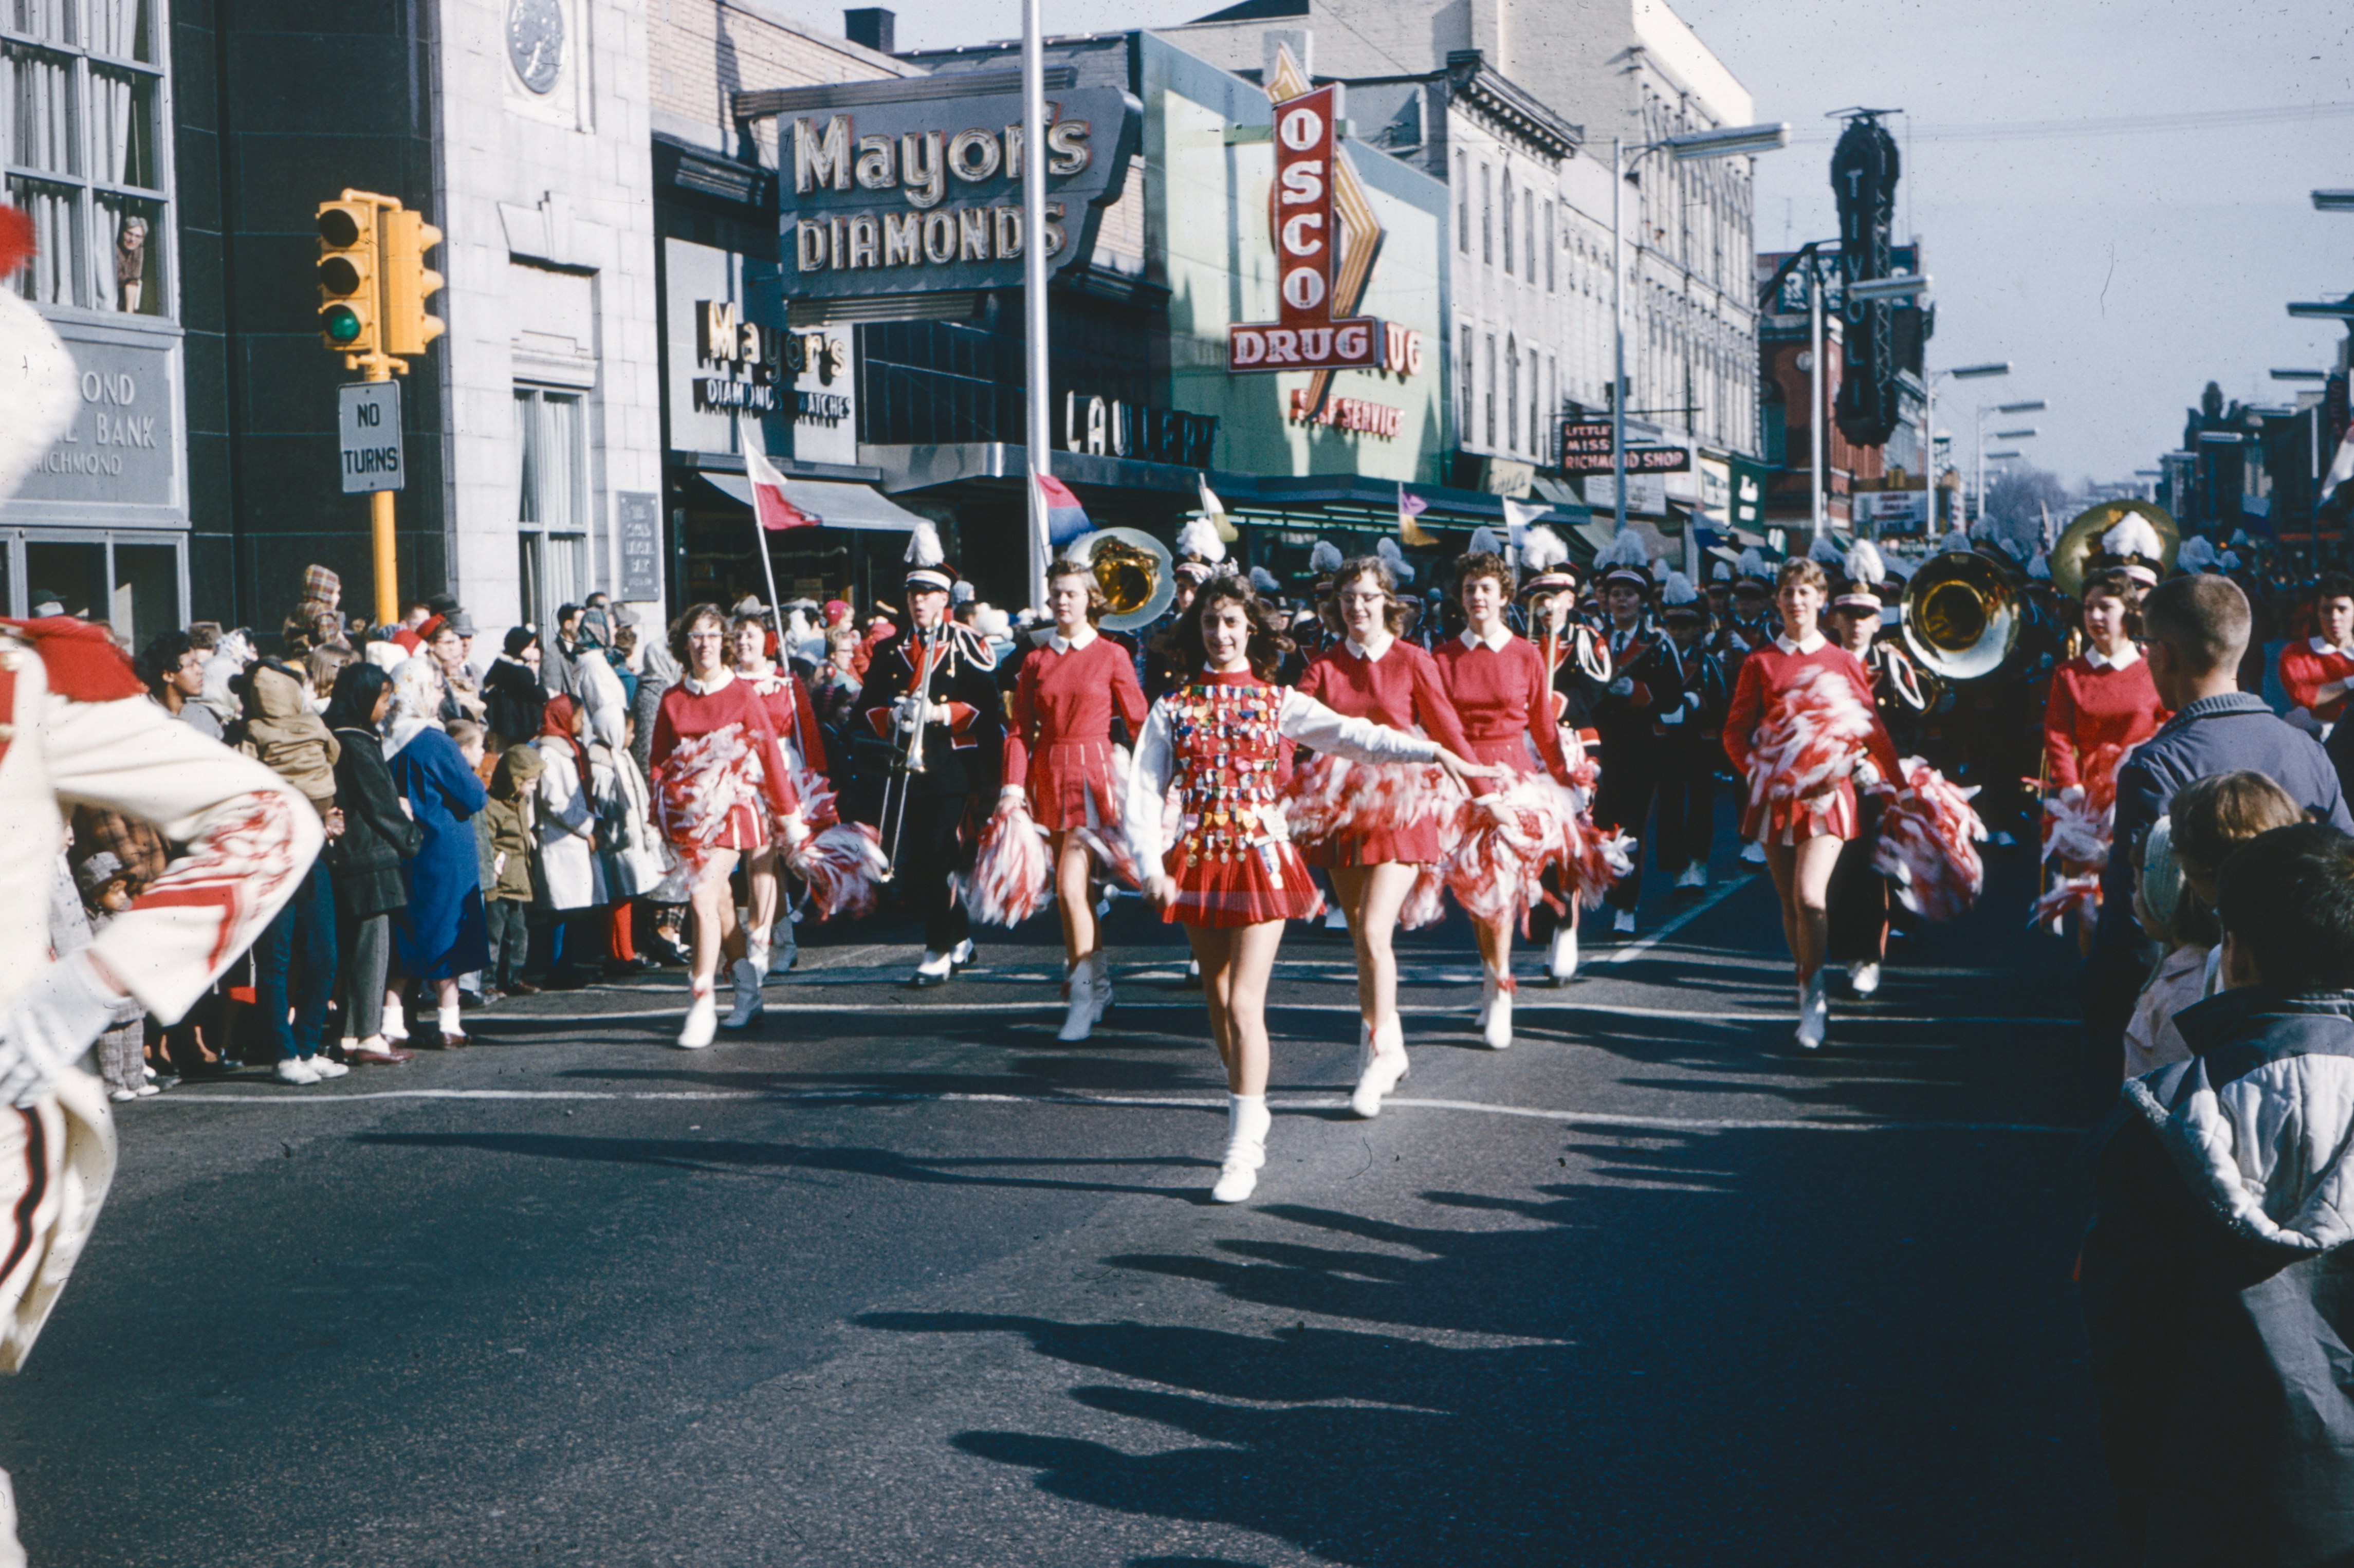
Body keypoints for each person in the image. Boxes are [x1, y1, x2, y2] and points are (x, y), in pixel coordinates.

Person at [1125, 572, 1493, 1203]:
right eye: (1210, 623)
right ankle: (1249, 1101)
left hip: (1261, 859)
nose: (1220, 634)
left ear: (1251, 631)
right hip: (1198, 859)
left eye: (1232, 624)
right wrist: (1149, 867)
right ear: (1198, 631)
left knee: (1244, 1003)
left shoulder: (1276, 702)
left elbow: (1356, 736)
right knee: (1214, 1000)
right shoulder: (1173, 707)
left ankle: (1242, 1146)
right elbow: (1141, 791)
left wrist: (1434, 753)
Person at [2080, 821, 2354, 1565]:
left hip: (2213, 1482)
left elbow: (2128, 1339)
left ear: (2234, 947)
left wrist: (2138, 1489)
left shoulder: (2160, 1114)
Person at [2085, 573, 2353, 1079]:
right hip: (2309, 1015)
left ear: (2162, 654)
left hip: (2197, 1023)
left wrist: (2102, 1006)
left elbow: (2133, 919)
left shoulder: (2154, 767)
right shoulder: (2307, 752)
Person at [1289, 552, 1475, 1113]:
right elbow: (1288, 728)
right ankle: (1390, 1043)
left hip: (1399, 805)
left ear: (1387, 603)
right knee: (1359, 939)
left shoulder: (1413, 660)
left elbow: (1446, 730)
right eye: (1347, 599)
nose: (1356, 608)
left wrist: (1485, 791)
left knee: (1373, 932)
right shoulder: (1321, 666)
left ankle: (1373, 1056)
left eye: (1367, 597)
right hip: (1339, 807)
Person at [1722, 558, 1904, 1051]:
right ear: (1778, 601)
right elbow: (1734, 731)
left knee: (1809, 897)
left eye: (1805, 592)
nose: (1796, 601)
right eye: (1787, 593)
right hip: (1777, 799)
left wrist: (1900, 784)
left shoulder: (1843, 660)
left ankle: (1816, 995)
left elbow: (1872, 728)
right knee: (1788, 903)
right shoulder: (1759, 663)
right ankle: (1805, 985)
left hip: (1829, 796)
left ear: (1822, 601)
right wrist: (1756, 773)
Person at [994, 557, 1151, 1041]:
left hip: (1094, 776)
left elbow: (1141, 720)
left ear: (1091, 601)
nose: (1063, 601)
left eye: (1072, 593)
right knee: (1074, 897)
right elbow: (1019, 730)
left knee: (1067, 889)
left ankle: (1082, 997)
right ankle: (1098, 987)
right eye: (1056, 592)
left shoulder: (1112, 655)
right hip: (1047, 776)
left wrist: (1157, 782)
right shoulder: (1036, 660)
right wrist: (1012, 788)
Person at [1434, 546, 1585, 1050]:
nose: (1477, 597)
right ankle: (1489, 973)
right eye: (1469, 588)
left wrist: (1565, 783)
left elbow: (1542, 726)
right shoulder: (1441, 655)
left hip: (1514, 781)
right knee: (1478, 899)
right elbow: (1436, 727)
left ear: (1502, 597)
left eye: (1486, 588)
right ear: (1460, 597)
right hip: (1459, 783)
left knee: (1499, 890)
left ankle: (1500, 992)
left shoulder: (1524, 653)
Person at [649, 603, 804, 1046]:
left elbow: (771, 757)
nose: (705, 644)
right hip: (690, 819)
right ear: (685, 644)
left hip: (735, 810)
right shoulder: (672, 699)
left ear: (725, 643)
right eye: (697, 636)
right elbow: (658, 761)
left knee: (699, 894)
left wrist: (789, 816)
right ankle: (749, 990)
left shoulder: (741, 694)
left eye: (714, 635)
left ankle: (701, 1002)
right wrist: (660, 809)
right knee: (717, 905)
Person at [860, 526, 1006, 987]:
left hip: (952, 767)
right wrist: (894, 715)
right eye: (913, 594)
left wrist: (943, 711)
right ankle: (959, 934)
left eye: (927, 594)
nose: (918, 602)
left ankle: (936, 949)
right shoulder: (889, 651)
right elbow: (866, 708)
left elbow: (989, 707)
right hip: (906, 767)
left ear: (944, 597)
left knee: (938, 854)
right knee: (924, 859)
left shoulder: (967, 646)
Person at [2038, 566, 2167, 955]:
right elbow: (2057, 732)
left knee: (2143, 899)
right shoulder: (2069, 673)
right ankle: (2095, 989)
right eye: (2088, 607)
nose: (2095, 616)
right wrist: (2070, 784)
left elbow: (2170, 722)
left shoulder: (2152, 668)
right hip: (2086, 805)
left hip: (2142, 794)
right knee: (2089, 907)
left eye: (2105, 607)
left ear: (2128, 611)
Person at [236, 652, 350, 1083]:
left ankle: (299, 1048)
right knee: (304, 956)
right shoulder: (316, 725)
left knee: (289, 957)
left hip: (291, 853)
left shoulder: (250, 732)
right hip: (287, 854)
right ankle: (288, 1051)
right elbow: (333, 756)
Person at [383, 658, 489, 1049]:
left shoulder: (387, 740)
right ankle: (450, 1024)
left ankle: (392, 1023)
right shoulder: (435, 741)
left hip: (404, 848)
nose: (441, 694)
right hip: (446, 850)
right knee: (447, 933)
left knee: (406, 934)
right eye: (437, 687)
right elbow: (474, 795)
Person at [323, 662, 422, 1066]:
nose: (387, 706)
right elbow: (380, 799)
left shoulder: (333, 730)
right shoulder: (358, 739)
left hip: (345, 853)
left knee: (352, 947)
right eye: (382, 699)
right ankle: (368, 1033)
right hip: (369, 855)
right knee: (372, 946)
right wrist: (412, 839)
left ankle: (349, 1033)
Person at [1822, 555, 1911, 1001]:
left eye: (1865, 614)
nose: (1856, 623)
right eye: (1848, 614)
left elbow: (1910, 730)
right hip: (1828, 783)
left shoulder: (1893, 666)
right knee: (1834, 873)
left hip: (1876, 786)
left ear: (1879, 619)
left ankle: (1869, 958)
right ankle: (1848, 952)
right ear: (1834, 617)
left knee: (1871, 872)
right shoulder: (1820, 663)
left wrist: (1879, 767)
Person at [1587, 533, 1664, 934]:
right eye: (1615, 593)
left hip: (1638, 746)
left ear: (1642, 600)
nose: (1621, 601)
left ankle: (1626, 905)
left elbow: (1668, 697)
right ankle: (1600, 882)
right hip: (1599, 743)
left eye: (1629, 595)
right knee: (1597, 819)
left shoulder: (1657, 642)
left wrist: (1633, 691)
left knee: (1631, 824)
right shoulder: (1591, 639)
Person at [53, 852, 149, 1102]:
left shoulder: (127, 912)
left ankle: (136, 1077)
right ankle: (114, 1082)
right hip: (111, 987)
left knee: (135, 1031)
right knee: (111, 1037)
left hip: (131, 986)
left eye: (124, 890)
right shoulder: (90, 921)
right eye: (115, 891)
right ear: (96, 892)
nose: (123, 897)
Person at [530, 693, 606, 990]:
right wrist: (587, 827)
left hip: (576, 836)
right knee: (561, 907)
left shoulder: (573, 750)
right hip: (562, 838)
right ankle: (557, 967)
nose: (582, 722)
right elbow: (554, 801)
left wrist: (594, 822)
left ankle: (568, 965)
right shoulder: (549, 751)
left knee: (574, 906)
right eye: (578, 716)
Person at [480, 744, 544, 1002]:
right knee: (494, 933)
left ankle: (513, 977)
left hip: (520, 880)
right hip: (501, 880)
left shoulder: (521, 803)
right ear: (514, 780)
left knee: (518, 933)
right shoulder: (492, 806)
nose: (534, 788)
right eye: (530, 782)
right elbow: (489, 842)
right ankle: (488, 981)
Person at [2275, 570, 2354, 740]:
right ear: (2316, 612)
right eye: (2327, 610)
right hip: (2318, 742)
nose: (2334, 617)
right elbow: (2305, 697)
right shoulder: (2295, 654)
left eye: (2342, 609)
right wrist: (2350, 683)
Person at [139, 631, 219, 740]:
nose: (200, 670)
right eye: (191, 664)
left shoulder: (203, 716)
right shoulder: (142, 719)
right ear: (168, 675)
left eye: (198, 664)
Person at [483, 628, 546, 752]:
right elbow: (538, 693)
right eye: (529, 647)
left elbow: (487, 681)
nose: (532, 652)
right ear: (519, 647)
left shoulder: (500, 664)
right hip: (518, 724)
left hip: (501, 722)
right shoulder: (521, 671)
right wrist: (546, 693)